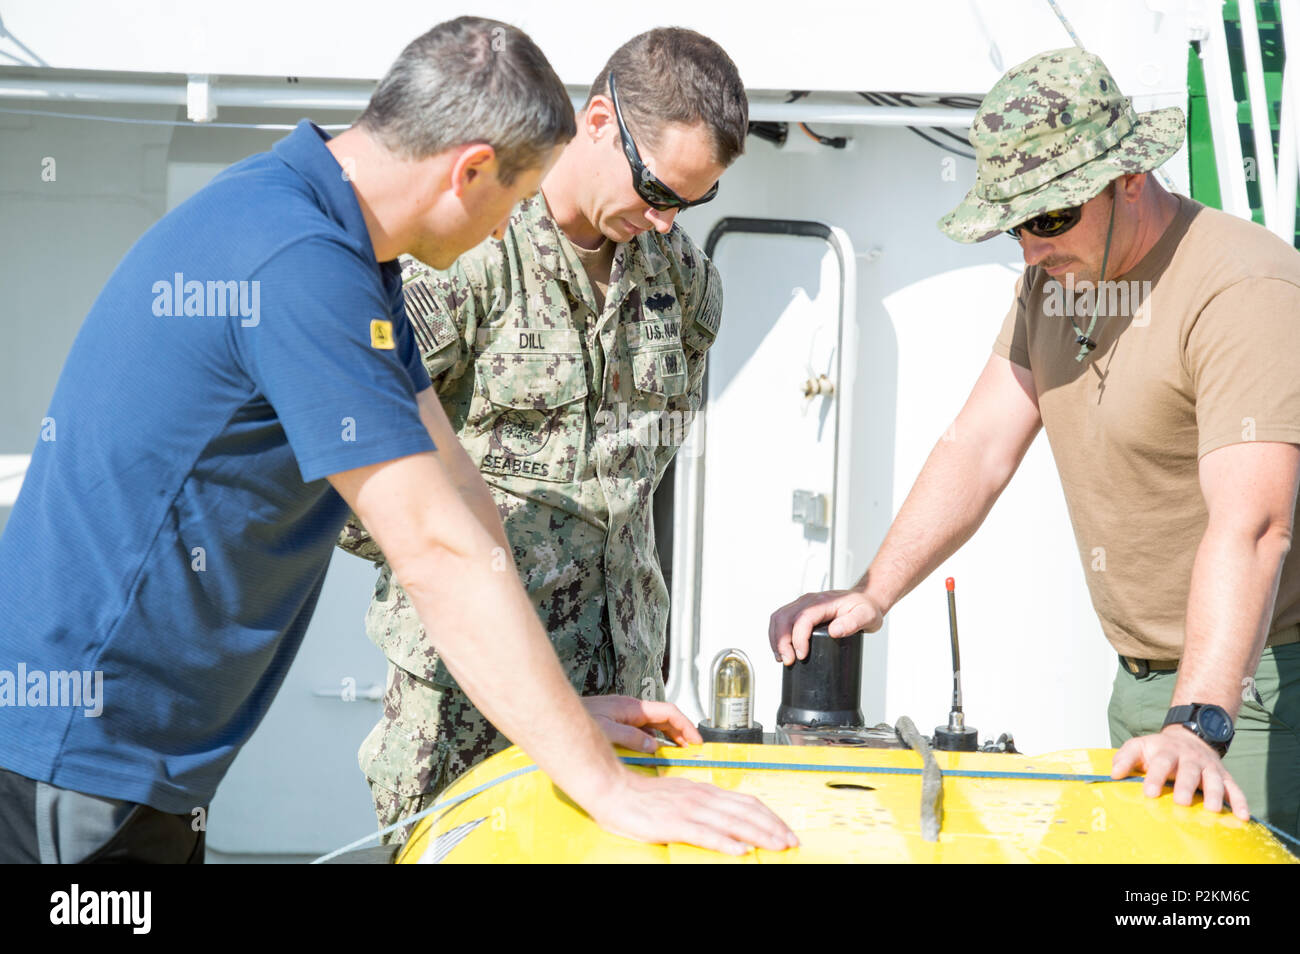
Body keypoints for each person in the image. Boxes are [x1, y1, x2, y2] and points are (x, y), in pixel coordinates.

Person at [0, 16, 795, 863]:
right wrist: (607, 789)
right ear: (471, 170)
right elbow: (433, 550)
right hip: (83, 755)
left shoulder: (339, 251)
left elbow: (459, 498)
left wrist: (562, 712)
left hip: (151, 759)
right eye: (515, 202)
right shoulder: (299, 263)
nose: (506, 231)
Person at [769, 47, 1300, 837]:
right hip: (1146, 691)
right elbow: (979, 446)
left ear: (1128, 178)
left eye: (1050, 217)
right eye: (1016, 224)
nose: (1031, 247)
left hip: (1252, 699)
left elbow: (1253, 527)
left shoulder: (1243, 288)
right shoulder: (1055, 280)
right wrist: (873, 591)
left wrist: (1198, 722)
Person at [337, 27, 746, 841]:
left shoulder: (688, 289)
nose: (667, 224)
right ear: (600, 121)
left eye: (691, 206)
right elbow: (354, 491)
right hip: (469, 706)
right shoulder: (464, 261)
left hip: (623, 689)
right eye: (658, 190)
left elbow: (643, 488)